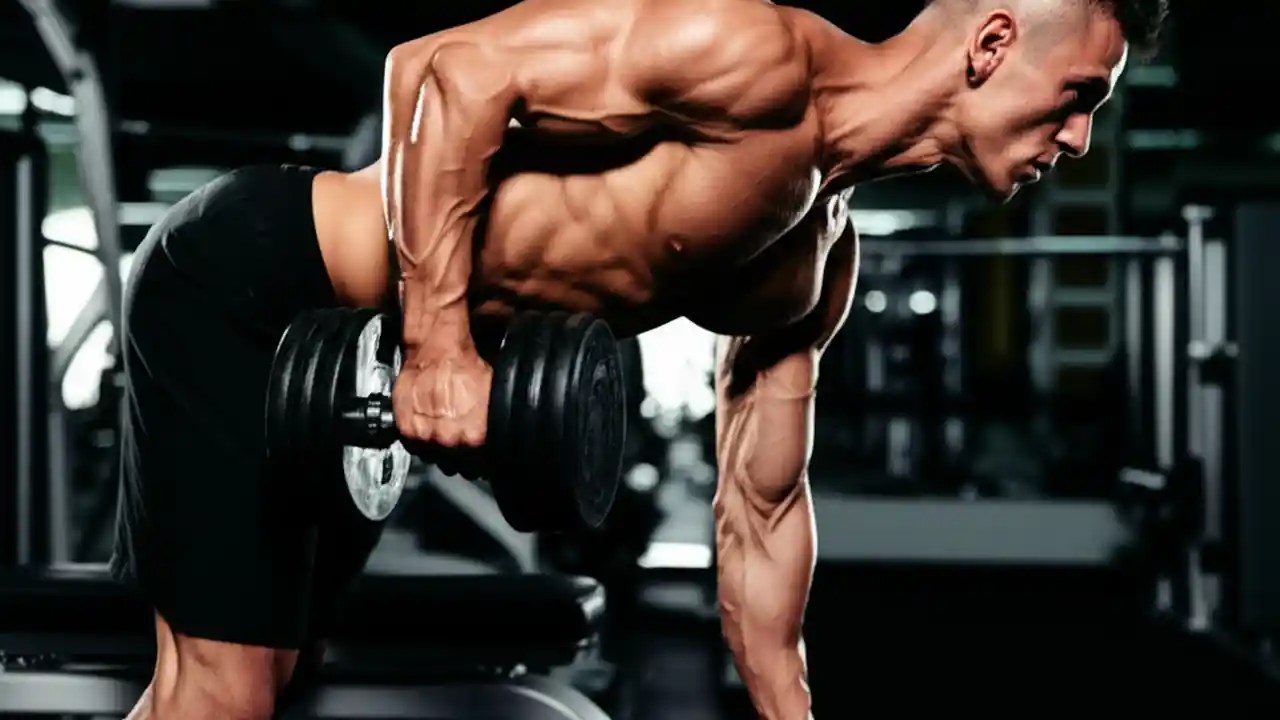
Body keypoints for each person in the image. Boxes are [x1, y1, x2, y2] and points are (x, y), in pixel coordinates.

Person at [112, 0, 1166, 717]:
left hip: (345, 366)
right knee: (225, 695)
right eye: (1079, 93)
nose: (1077, 139)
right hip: (257, 277)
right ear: (991, 44)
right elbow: (442, 72)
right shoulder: (755, 53)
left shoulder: (816, 262)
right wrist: (438, 349)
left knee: (274, 677)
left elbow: (760, 510)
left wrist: (784, 703)